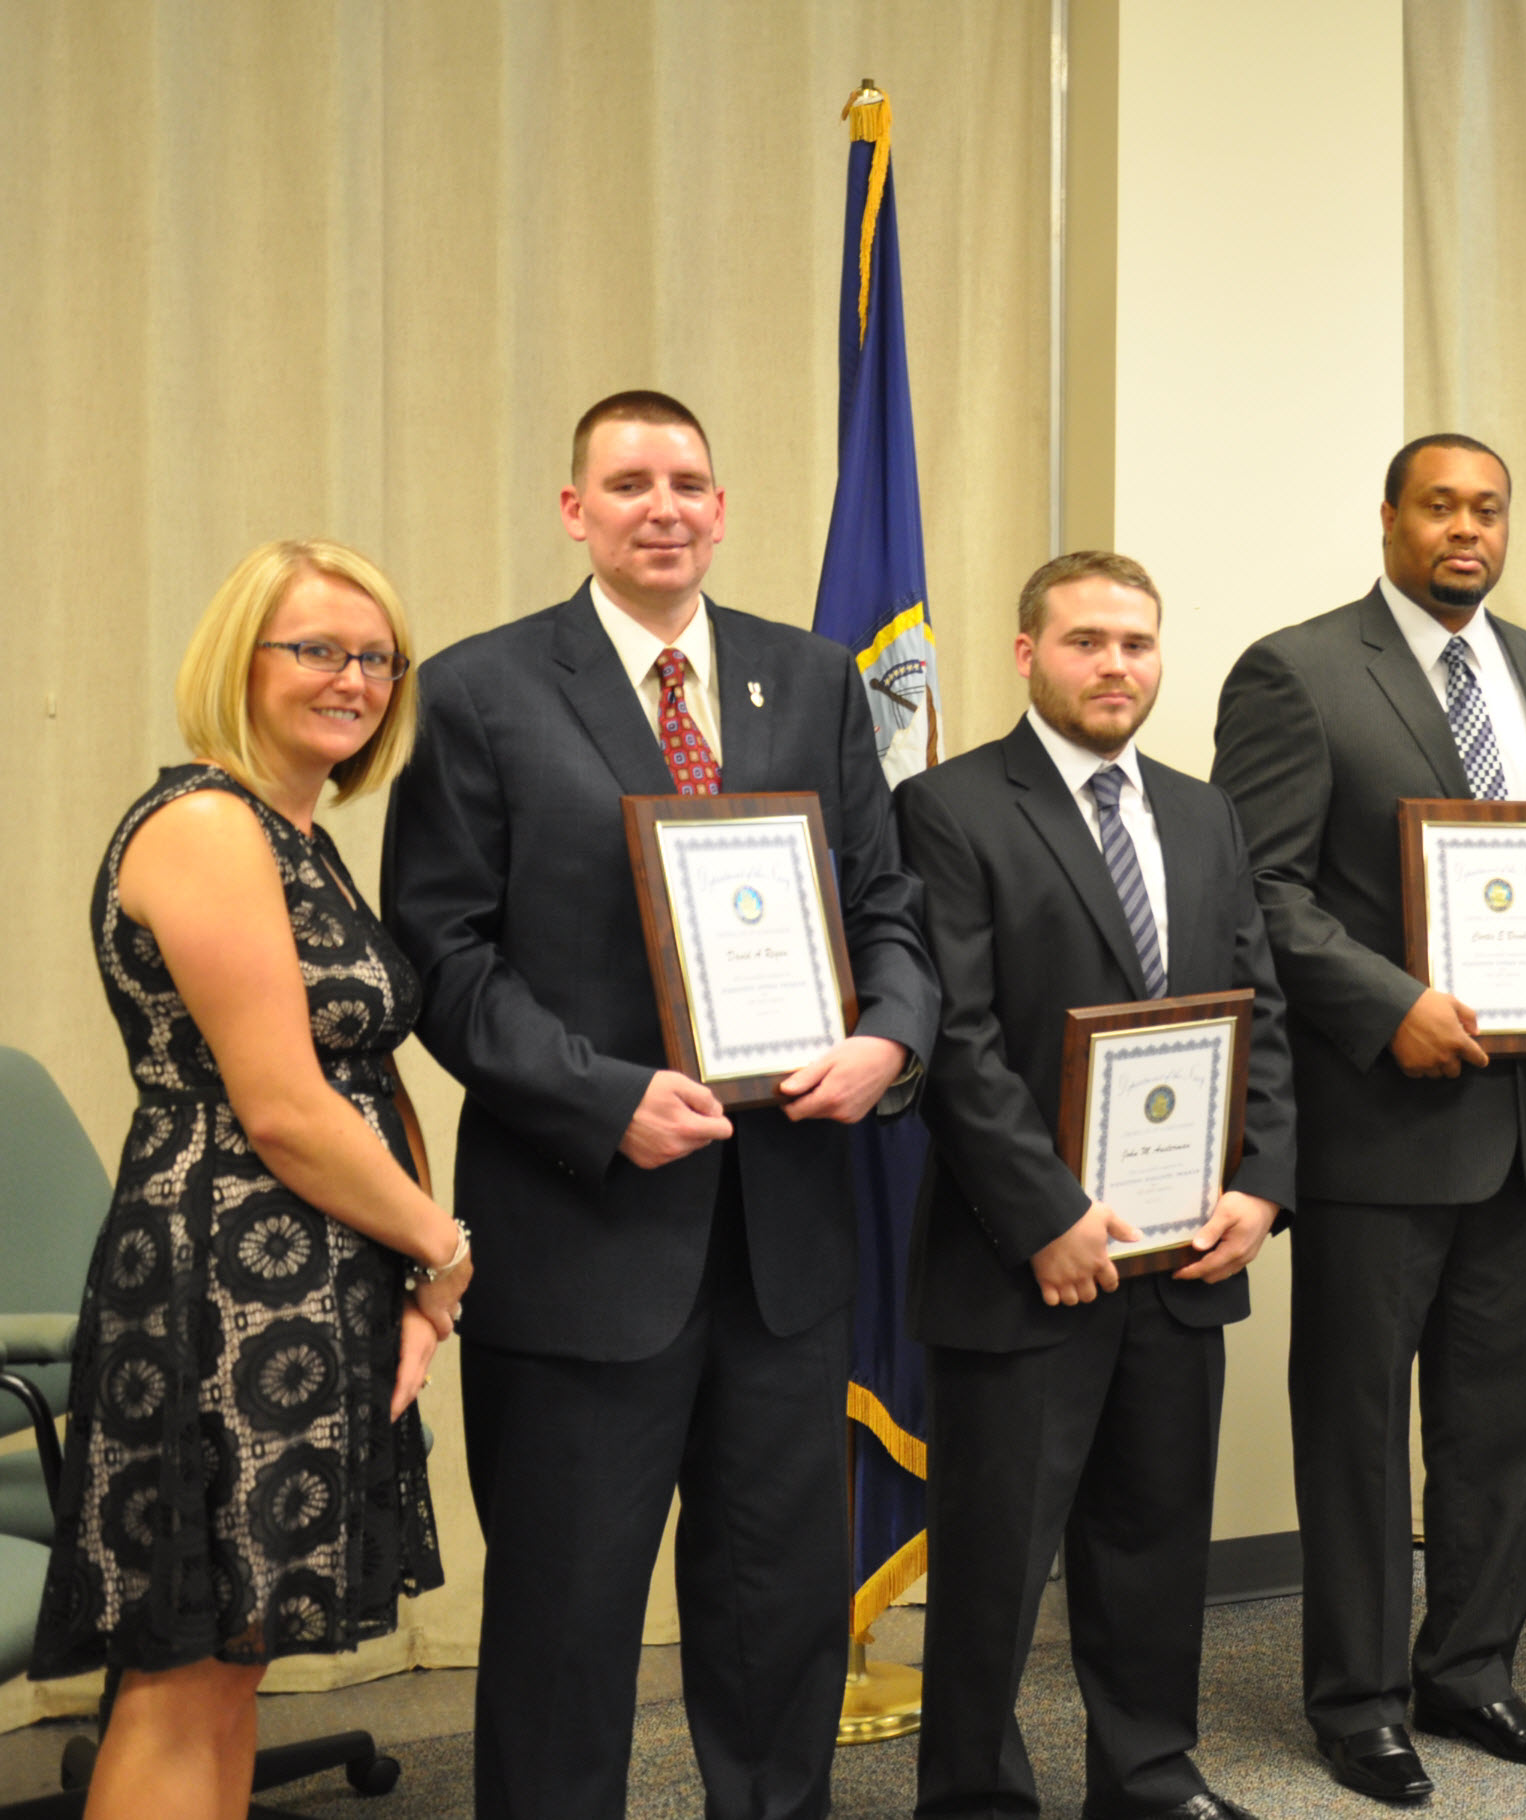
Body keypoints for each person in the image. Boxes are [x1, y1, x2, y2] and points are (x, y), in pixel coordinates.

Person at [382, 391, 940, 1820]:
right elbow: (441, 957)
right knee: (566, 1623)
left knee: (780, 1611)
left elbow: (885, 908)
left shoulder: (809, 683)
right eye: (629, 482)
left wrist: (889, 1040)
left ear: (722, 506)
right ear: (575, 510)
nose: (663, 506)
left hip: (782, 1246)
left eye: (688, 480)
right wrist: (602, 1098)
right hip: (581, 1236)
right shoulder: (480, 690)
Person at [1211, 434, 1526, 1806]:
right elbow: (1260, 891)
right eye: (1438, 505)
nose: (1465, 528)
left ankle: (1474, 1674)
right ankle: (1358, 1699)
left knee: (1495, 1427)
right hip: (1374, 1128)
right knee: (1355, 1429)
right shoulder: (1296, 671)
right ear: (1388, 518)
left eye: (1487, 508)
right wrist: (1389, 1003)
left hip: (1517, 1130)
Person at [31, 539, 465, 1818]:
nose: (354, 678)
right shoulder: (209, 825)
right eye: (317, 649)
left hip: (308, 1267)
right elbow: (283, 1109)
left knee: (233, 1662)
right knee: (181, 1673)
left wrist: (412, 1271)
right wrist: (443, 1248)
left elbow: (361, 1079)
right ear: (243, 659)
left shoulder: (295, 828)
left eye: (377, 657)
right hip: (220, 1279)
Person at [900, 551, 1294, 1820]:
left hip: (1182, 1254)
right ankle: (972, 1795)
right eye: (1085, 641)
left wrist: (1263, 1184)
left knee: (1153, 1537)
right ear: (1026, 653)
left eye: (1135, 641)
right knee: (995, 1560)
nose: (1114, 665)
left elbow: (1259, 1015)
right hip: (1025, 1267)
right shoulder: (951, 809)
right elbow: (954, 1040)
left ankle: (1145, 1773)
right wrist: (1047, 1218)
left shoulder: (1201, 810)